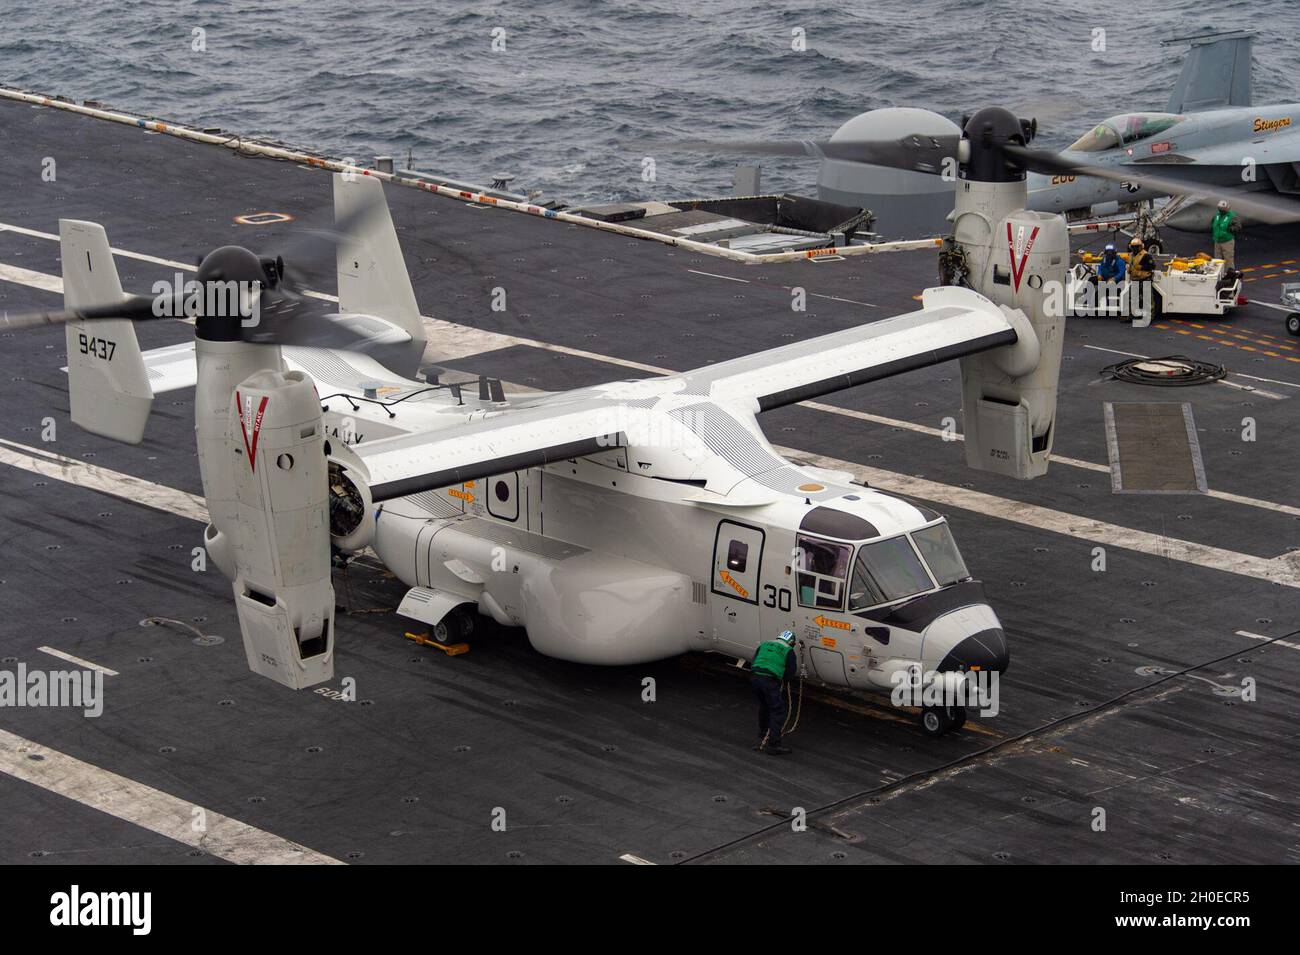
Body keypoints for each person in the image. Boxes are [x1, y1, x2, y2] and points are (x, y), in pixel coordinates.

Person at [751, 630, 799, 755]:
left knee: (764, 705)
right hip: (769, 680)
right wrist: (784, 681)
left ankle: (763, 734)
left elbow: (755, 659)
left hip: (755, 677)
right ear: (792, 642)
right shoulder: (788, 650)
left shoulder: (765, 644)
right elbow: (790, 672)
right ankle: (774, 744)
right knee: (777, 710)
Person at [1212, 200, 1242, 268]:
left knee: (1228, 259)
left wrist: (1230, 229)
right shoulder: (1217, 215)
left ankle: (1230, 274)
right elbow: (1213, 223)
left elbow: (1238, 226)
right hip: (1217, 241)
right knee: (1217, 259)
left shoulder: (1232, 216)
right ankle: (1219, 274)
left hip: (1227, 241)